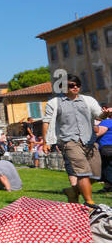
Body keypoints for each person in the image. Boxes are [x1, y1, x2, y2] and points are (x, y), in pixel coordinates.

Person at [42, 75, 107, 206]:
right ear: (63, 87)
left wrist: (105, 114)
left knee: (95, 175)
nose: (75, 87)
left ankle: (72, 191)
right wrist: (46, 142)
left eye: (78, 84)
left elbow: (99, 115)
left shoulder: (88, 100)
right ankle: (89, 202)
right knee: (83, 173)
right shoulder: (54, 103)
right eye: (71, 85)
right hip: (69, 141)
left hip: (89, 142)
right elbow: (46, 123)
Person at [98, 114, 112, 193]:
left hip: (106, 148)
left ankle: (108, 186)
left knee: (106, 168)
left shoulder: (107, 122)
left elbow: (98, 133)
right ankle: (108, 187)